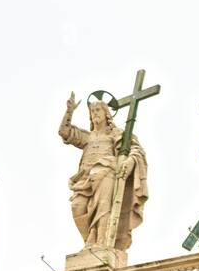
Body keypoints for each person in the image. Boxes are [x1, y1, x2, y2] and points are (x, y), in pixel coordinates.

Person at [59, 94, 148, 251]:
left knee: (103, 206)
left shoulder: (114, 133)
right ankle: (90, 240)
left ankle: (101, 242)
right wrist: (69, 111)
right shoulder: (88, 136)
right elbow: (64, 132)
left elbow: (136, 149)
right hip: (84, 179)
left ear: (106, 113)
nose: (95, 114)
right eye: (92, 111)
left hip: (107, 172)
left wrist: (130, 161)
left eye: (98, 110)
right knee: (77, 206)